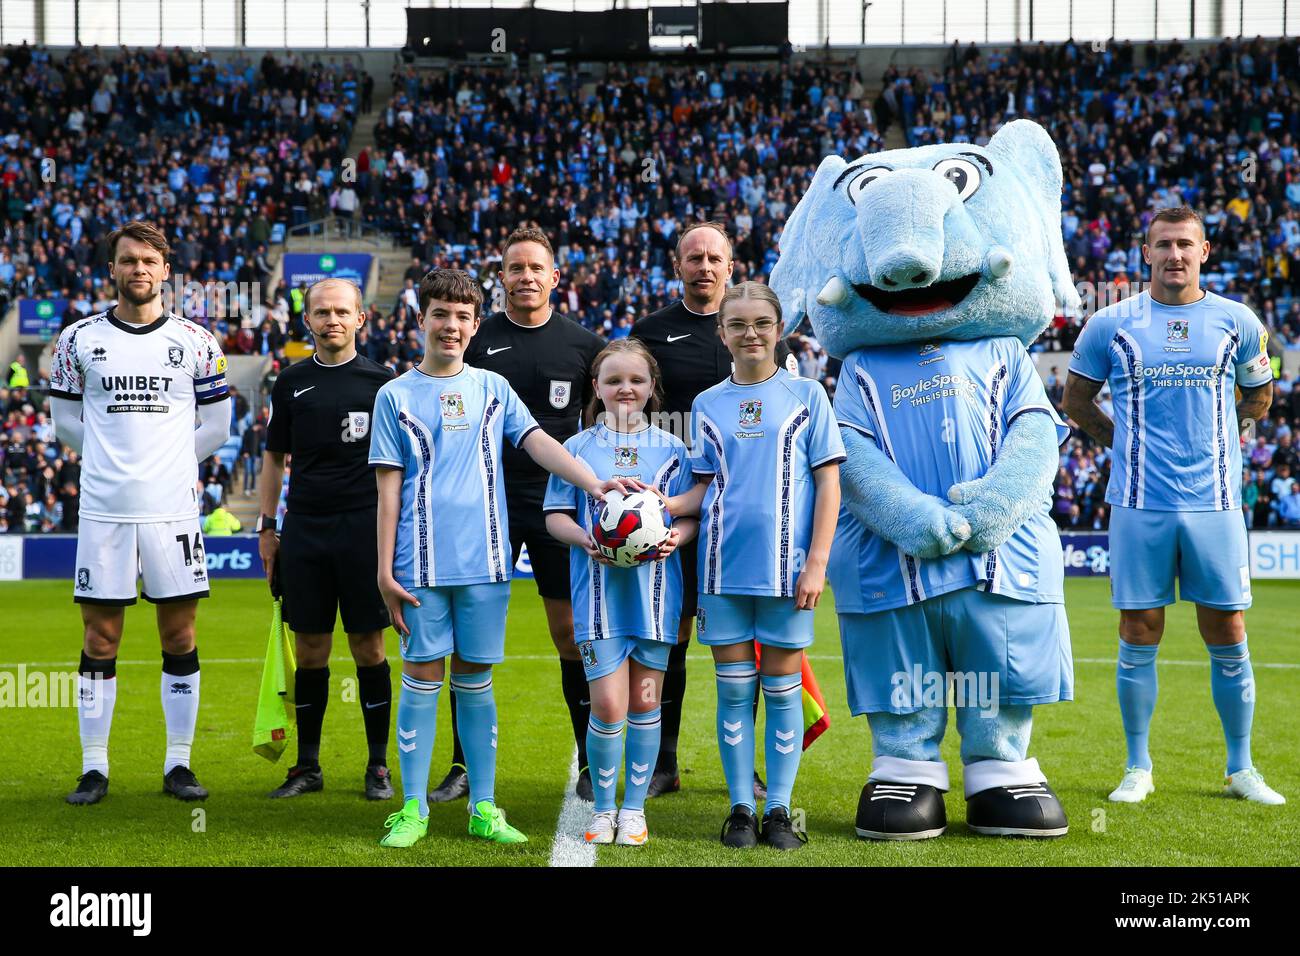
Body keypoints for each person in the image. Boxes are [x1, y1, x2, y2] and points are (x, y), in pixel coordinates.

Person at [368, 268, 633, 848]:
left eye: (463, 317)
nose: (452, 326)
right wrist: (385, 571)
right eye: (441, 314)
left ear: (473, 324)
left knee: (476, 681)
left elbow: (539, 443)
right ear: (421, 319)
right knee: (419, 678)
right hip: (420, 568)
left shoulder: (492, 388)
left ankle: (483, 807)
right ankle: (412, 809)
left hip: (486, 565)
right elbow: (388, 490)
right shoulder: (394, 395)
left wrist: (594, 484)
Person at [1063, 206, 1284, 805]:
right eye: (1164, 245)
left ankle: (1241, 768)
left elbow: (1261, 395)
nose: (1175, 255)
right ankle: (1138, 766)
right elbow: (1075, 400)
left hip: (1215, 503)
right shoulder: (1111, 323)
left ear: (1205, 251)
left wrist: (1219, 431)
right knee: (1139, 629)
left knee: (1228, 629)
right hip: (1139, 503)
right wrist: (1125, 444)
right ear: (1145, 253)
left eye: (1186, 244)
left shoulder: (1237, 321)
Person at [47, 220, 232, 805]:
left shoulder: (197, 342)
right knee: (100, 639)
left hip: (173, 511)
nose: (139, 270)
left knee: (179, 633)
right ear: (113, 270)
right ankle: (94, 768)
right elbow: (65, 424)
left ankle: (178, 765)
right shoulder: (76, 340)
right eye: (128, 261)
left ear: (166, 270)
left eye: (149, 261)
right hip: (104, 510)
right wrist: (114, 466)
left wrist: (167, 468)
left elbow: (219, 428)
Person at [427, 226, 604, 804]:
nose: (525, 277)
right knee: (467, 635)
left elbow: (597, 428)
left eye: (536, 269)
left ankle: (588, 756)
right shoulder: (476, 339)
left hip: (555, 503)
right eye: (514, 269)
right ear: (500, 279)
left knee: (569, 633)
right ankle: (460, 764)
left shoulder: (584, 344)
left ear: (555, 278)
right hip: (484, 501)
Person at [667, 282, 844, 849]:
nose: (750, 334)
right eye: (737, 324)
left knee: (784, 690)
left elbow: (829, 483)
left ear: (780, 329)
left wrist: (816, 563)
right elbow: (701, 488)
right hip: (721, 573)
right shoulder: (706, 404)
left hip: (788, 575)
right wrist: (660, 509)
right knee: (734, 693)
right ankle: (741, 808)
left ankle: (781, 810)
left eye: (760, 323)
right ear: (722, 333)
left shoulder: (808, 395)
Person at [631, 221, 799, 800]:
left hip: (739, 514)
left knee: (750, 644)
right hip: (670, 505)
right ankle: (664, 761)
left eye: (714, 258)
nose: (704, 267)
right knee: (669, 635)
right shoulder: (650, 332)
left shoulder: (759, 337)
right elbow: (628, 407)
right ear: (678, 265)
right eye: (693, 257)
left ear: (731, 266)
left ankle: (751, 771)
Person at [543, 339, 697, 846]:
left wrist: (676, 535)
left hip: (655, 603)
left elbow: (693, 512)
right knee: (608, 706)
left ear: (652, 387)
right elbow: (555, 517)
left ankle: (633, 811)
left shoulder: (673, 449)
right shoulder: (577, 449)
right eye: (613, 380)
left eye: (635, 379)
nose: (624, 388)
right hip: (598, 601)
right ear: (596, 388)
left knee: (645, 703)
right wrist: (586, 539)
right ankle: (603, 810)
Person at [257, 277, 397, 801]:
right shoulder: (290, 382)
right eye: (322, 311)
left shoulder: (382, 383)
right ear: (308, 320)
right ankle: (307, 766)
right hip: (306, 531)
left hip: (363, 531)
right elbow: (274, 459)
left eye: (342, 311)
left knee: (369, 645)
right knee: (311, 648)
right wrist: (267, 528)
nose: (332, 319)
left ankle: (378, 767)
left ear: (361, 318)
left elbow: (395, 469)